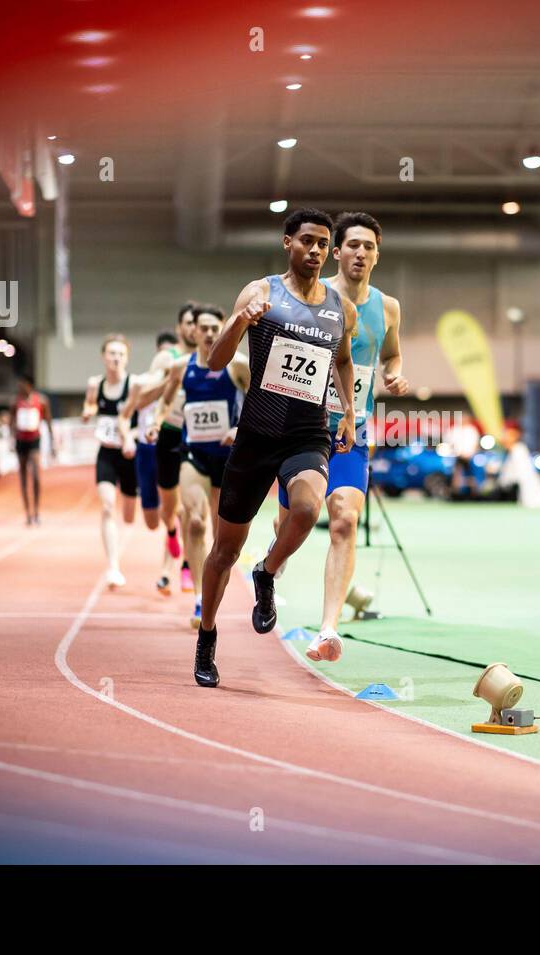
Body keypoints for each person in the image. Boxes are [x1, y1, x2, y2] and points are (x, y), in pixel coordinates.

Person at [192, 208, 358, 688]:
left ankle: (266, 572)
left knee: (306, 510)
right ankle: (207, 635)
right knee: (224, 551)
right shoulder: (261, 292)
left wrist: (346, 410)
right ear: (288, 242)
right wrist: (241, 321)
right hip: (256, 436)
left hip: (307, 434)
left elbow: (342, 361)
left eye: (323, 244)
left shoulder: (338, 307)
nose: (316, 251)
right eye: (307, 240)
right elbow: (216, 361)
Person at [273, 212, 409, 662]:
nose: (361, 253)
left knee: (345, 519)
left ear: (377, 254)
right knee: (291, 522)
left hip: (354, 430)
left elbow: (391, 353)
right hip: (303, 430)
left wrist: (394, 374)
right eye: (353, 245)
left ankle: (328, 629)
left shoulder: (388, 307)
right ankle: (269, 573)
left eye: (369, 246)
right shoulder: (317, 296)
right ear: (337, 251)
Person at [149, 304, 250, 627]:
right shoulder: (182, 367)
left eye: (213, 328)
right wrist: (156, 421)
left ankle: (214, 589)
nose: (207, 333)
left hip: (228, 459)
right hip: (193, 453)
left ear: (223, 329)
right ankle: (198, 598)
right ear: (194, 332)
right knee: (194, 522)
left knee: (223, 542)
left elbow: (259, 399)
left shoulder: (238, 366)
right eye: (202, 328)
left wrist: (240, 430)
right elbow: (165, 400)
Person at [120, 317, 195, 596]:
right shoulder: (156, 373)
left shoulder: (203, 361)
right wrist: (169, 379)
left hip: (185, 439)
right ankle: (173, 532)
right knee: (156, 518)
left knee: (188, 509)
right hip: (150, 446)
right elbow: (135, 406)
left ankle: (180, 567)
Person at [81, 334, 140, 588]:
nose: (115, 358)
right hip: (106, 453)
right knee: (106, 506)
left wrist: (131, 439)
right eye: (111, 353)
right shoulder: (95, 384)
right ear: (103, 357)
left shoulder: (135, 384)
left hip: (128, 454)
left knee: (128, 516)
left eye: (120, 354)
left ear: (126, 358)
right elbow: (91, 404)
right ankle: (113, 567)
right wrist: (88, 411)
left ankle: (117, 557)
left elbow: (144, 420)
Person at [13, 376, 54, 524]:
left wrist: (53, 443)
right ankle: (28, 513)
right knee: (23, 478)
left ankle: (37, 512)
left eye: (22, 385)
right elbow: (11, 422)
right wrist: (12, 438)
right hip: (21, 441)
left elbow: (48, 421)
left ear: (29, 385)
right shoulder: (15, 402)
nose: (20, 388)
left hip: (35, 440)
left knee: (36, 475)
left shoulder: (41, 401)